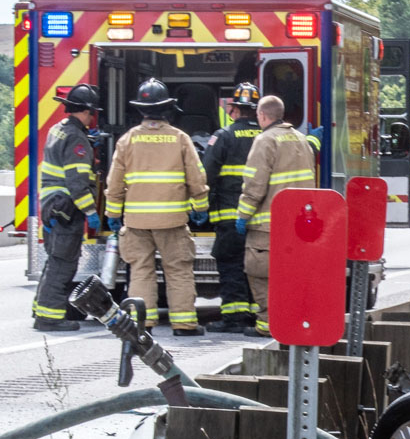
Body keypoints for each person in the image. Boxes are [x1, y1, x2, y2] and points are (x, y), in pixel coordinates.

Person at [105, 78, 209, 336]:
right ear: (167, 109)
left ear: (140, 109)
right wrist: (200, 206)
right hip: (173, 221)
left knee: (140, 270)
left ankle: (143, 324)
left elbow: (114, 182)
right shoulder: (180, 139)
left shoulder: (127, 140)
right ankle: (184, 325)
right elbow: (197, 177)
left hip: (137, 222)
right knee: (178, 270)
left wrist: (113, 213)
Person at [235, 94, 316, 338]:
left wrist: (243, 216)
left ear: (262, 115)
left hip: (267, 226)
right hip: (299, 226)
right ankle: (292, 320)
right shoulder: (301, 139)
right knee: (291, 275)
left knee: (259, 272)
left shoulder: (265, 140)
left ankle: (267, 324)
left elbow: (254, 184)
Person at [33, 84, 103, 332]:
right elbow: (77, 183)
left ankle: (41, 307)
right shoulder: (76, 138)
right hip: (65, 209)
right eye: (91, 112)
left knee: (54, 261)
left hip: (51, 205)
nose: (92, 117)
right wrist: (91, 213)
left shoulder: (58, 129)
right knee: (63, 263)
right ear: (84, 111)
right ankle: (49, 318)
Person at [202, 82, 262, 333]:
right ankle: (255, 315)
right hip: (260, 217)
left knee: (231, 265)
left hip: (229, 215)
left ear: (234, 109)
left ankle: (233, 318)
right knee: (255, 267)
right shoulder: (265, 137)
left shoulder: (223, 136)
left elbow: (206, 174)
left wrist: (199, 206)